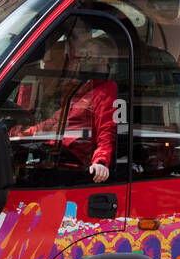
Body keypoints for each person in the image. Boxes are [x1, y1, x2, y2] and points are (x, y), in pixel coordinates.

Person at [12, 33, 117, 183]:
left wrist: (101, 162)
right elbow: (54, 121)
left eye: (88, 55)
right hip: (51, 152)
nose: (82, 60)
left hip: (70, 160)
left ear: (103, 59)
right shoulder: (82, 87)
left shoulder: (106, 89)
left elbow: (107, 130)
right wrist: (19, 135)